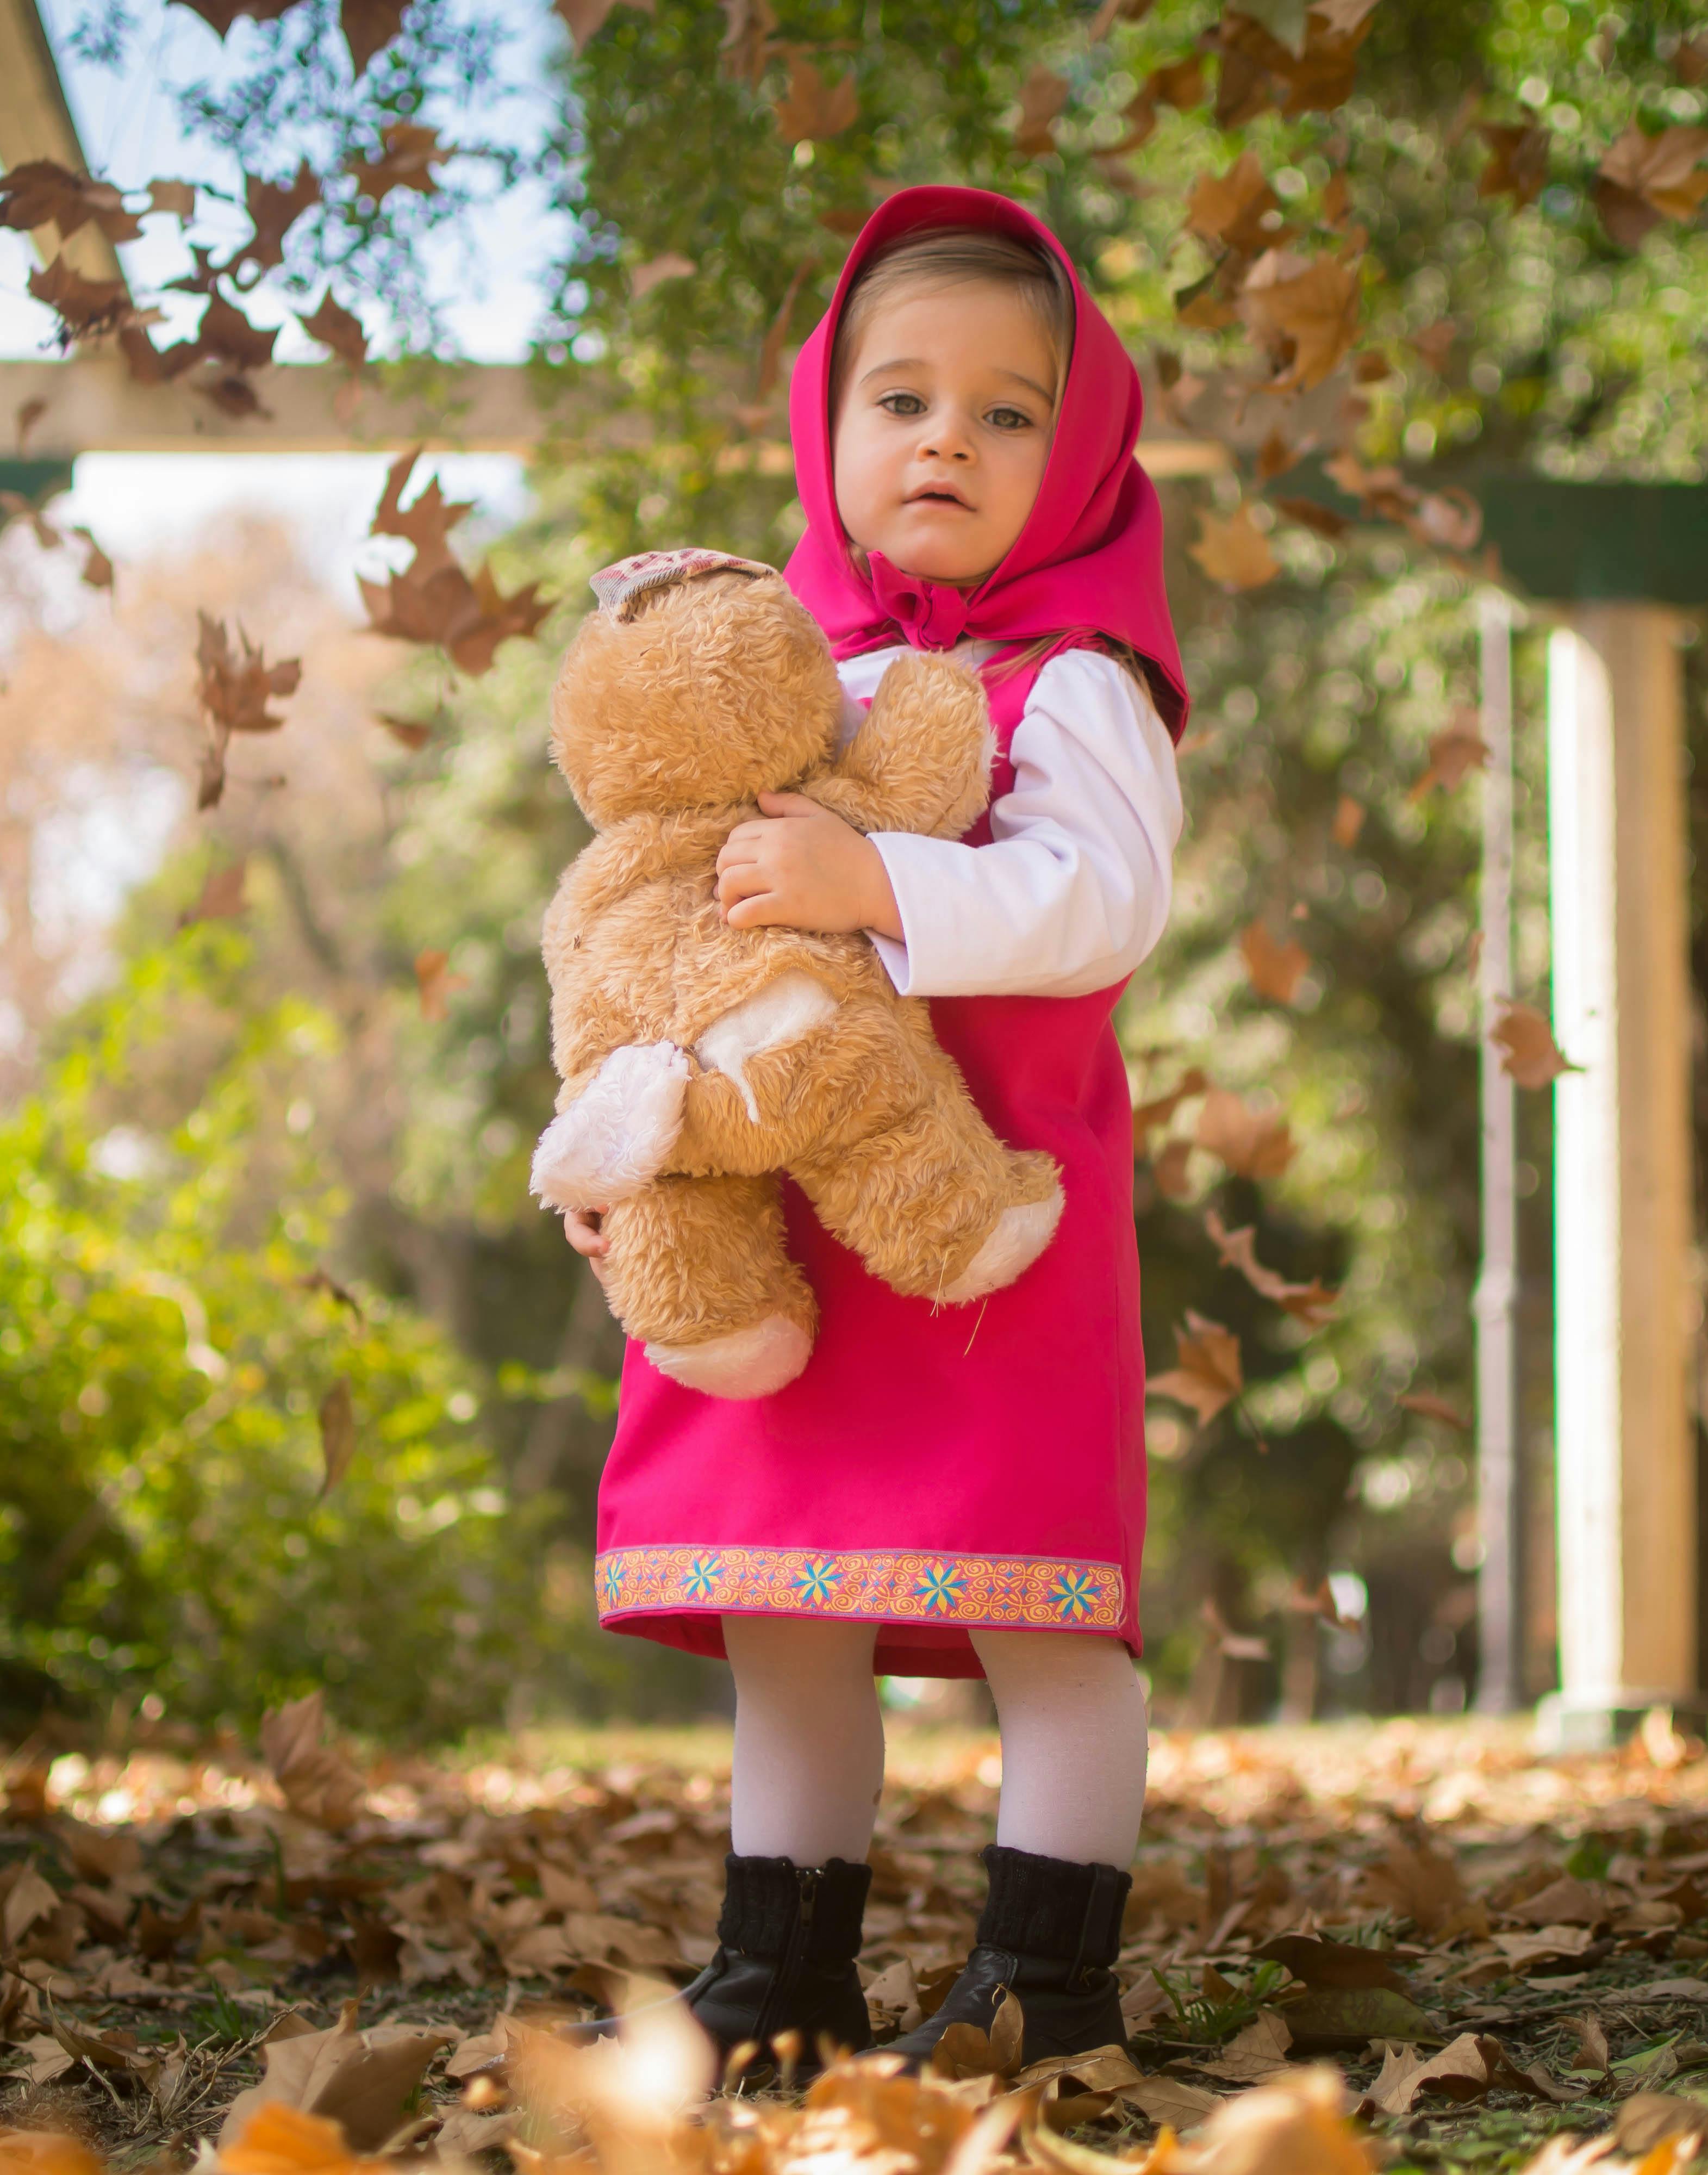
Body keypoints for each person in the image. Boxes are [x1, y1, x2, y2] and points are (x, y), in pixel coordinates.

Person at [559, 186, 1190, 2070]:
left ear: (1074, 457)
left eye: (1011, 414)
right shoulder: (769, 672)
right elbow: (639, 933)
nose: (949, 442)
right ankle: (780, 1969)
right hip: (784, 1213)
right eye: (901, 400)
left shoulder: (1071, 674)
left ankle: (1045, 1978)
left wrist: (876, 876)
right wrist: (620, 1151)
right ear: (826, 439)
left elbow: (1105, 899)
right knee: (789, 1607)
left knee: (1044, 1613)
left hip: (994, 1200)